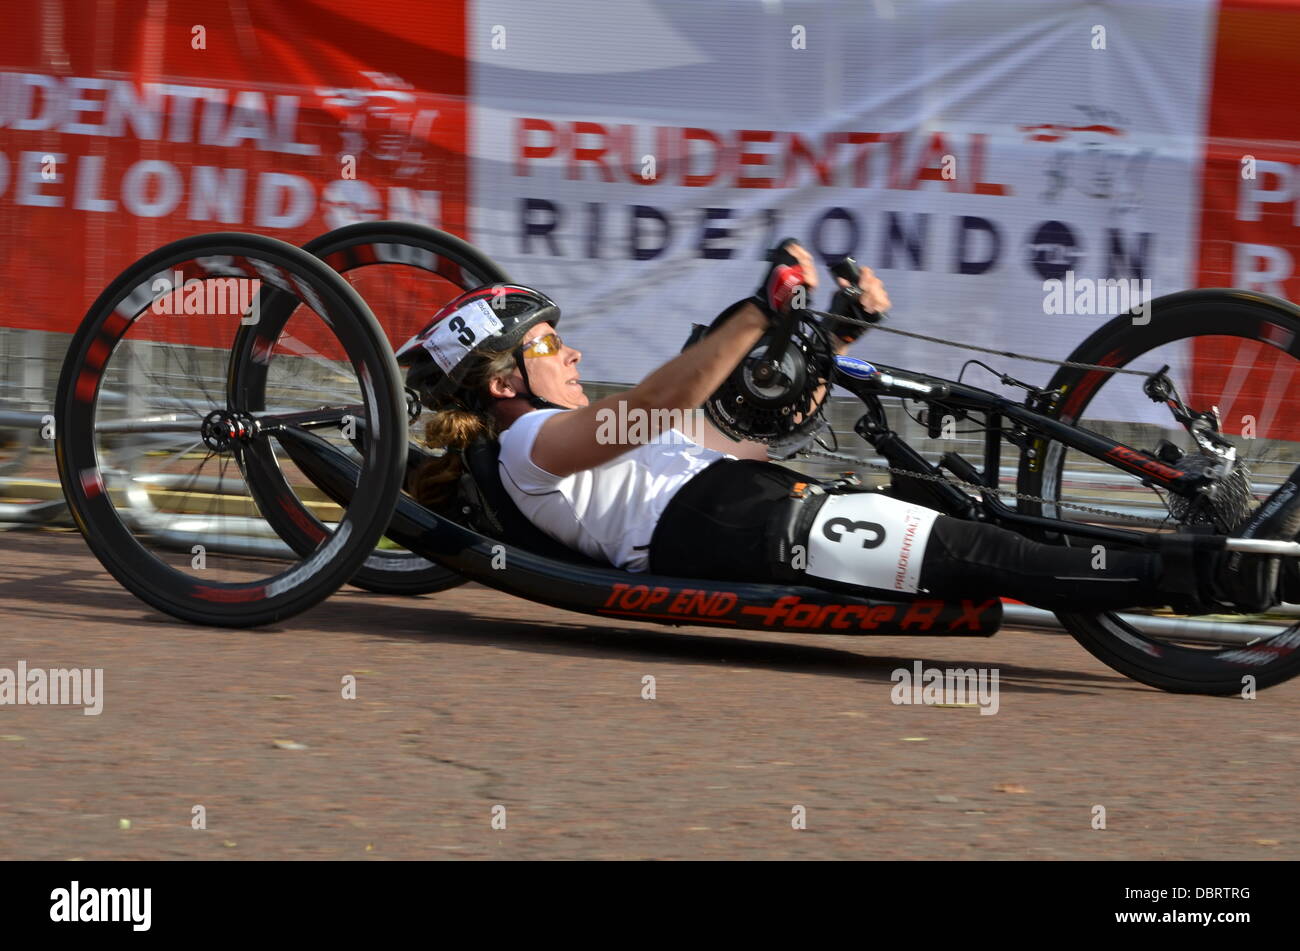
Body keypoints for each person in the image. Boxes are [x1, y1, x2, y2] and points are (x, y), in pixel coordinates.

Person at [398, 241, 1300, 615]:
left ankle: (1200, 537)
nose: (576, 354)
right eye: (552, 344)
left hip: (740, 501)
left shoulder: (580, 432)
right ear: (504, 376)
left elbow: (735, 426)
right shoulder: (523, 447)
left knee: (976, 516)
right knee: (988, 560)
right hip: (723, 529)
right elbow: (655, 409)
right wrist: (749, 316)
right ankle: (1223, 577)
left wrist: (832, 331)